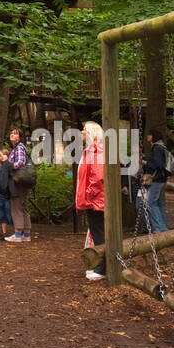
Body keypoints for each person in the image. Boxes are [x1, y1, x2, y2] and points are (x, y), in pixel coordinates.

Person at [76, 120, 106, 280]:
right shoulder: (91, 150)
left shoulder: (96, 150)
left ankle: (102, 269)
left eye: (84, 130)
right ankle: (100, 266)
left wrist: (88, 195)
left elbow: (98, 177)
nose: (81, 132)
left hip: (95, 200)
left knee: (99, 233)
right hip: (94, 199)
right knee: (97, 232)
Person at [4, 127, 32, 243]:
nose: (12, 134)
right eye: (11, 133)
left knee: (16, 207)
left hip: (18, 182)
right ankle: (26, 235)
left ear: (19, 138)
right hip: (23, 182)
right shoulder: (19, 148)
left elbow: (20, 162)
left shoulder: (19, 148)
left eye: (15, 134)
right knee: (23, 207)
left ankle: (17, 235)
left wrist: (9, 167)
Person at [139, 129, 169, 235]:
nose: (147, 136)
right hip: (162, 178)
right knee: (159, 203)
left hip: (157, 179)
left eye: (149, 134)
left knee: (151, 202)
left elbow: (158, 164)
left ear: (153, 136)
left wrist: (144, 162)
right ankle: (164, 227)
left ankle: (158, 227)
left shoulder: (156, 148)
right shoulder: (162, 147)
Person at [0, 147, 14, 240]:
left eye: (4, 155)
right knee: (1, 214)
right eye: (0, 155)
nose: (2, 157)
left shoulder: (11, 166)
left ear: (8, 156)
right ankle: (4, 233)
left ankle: (16, 232)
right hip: (0, 194)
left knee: (10, 213)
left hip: (9, 195)